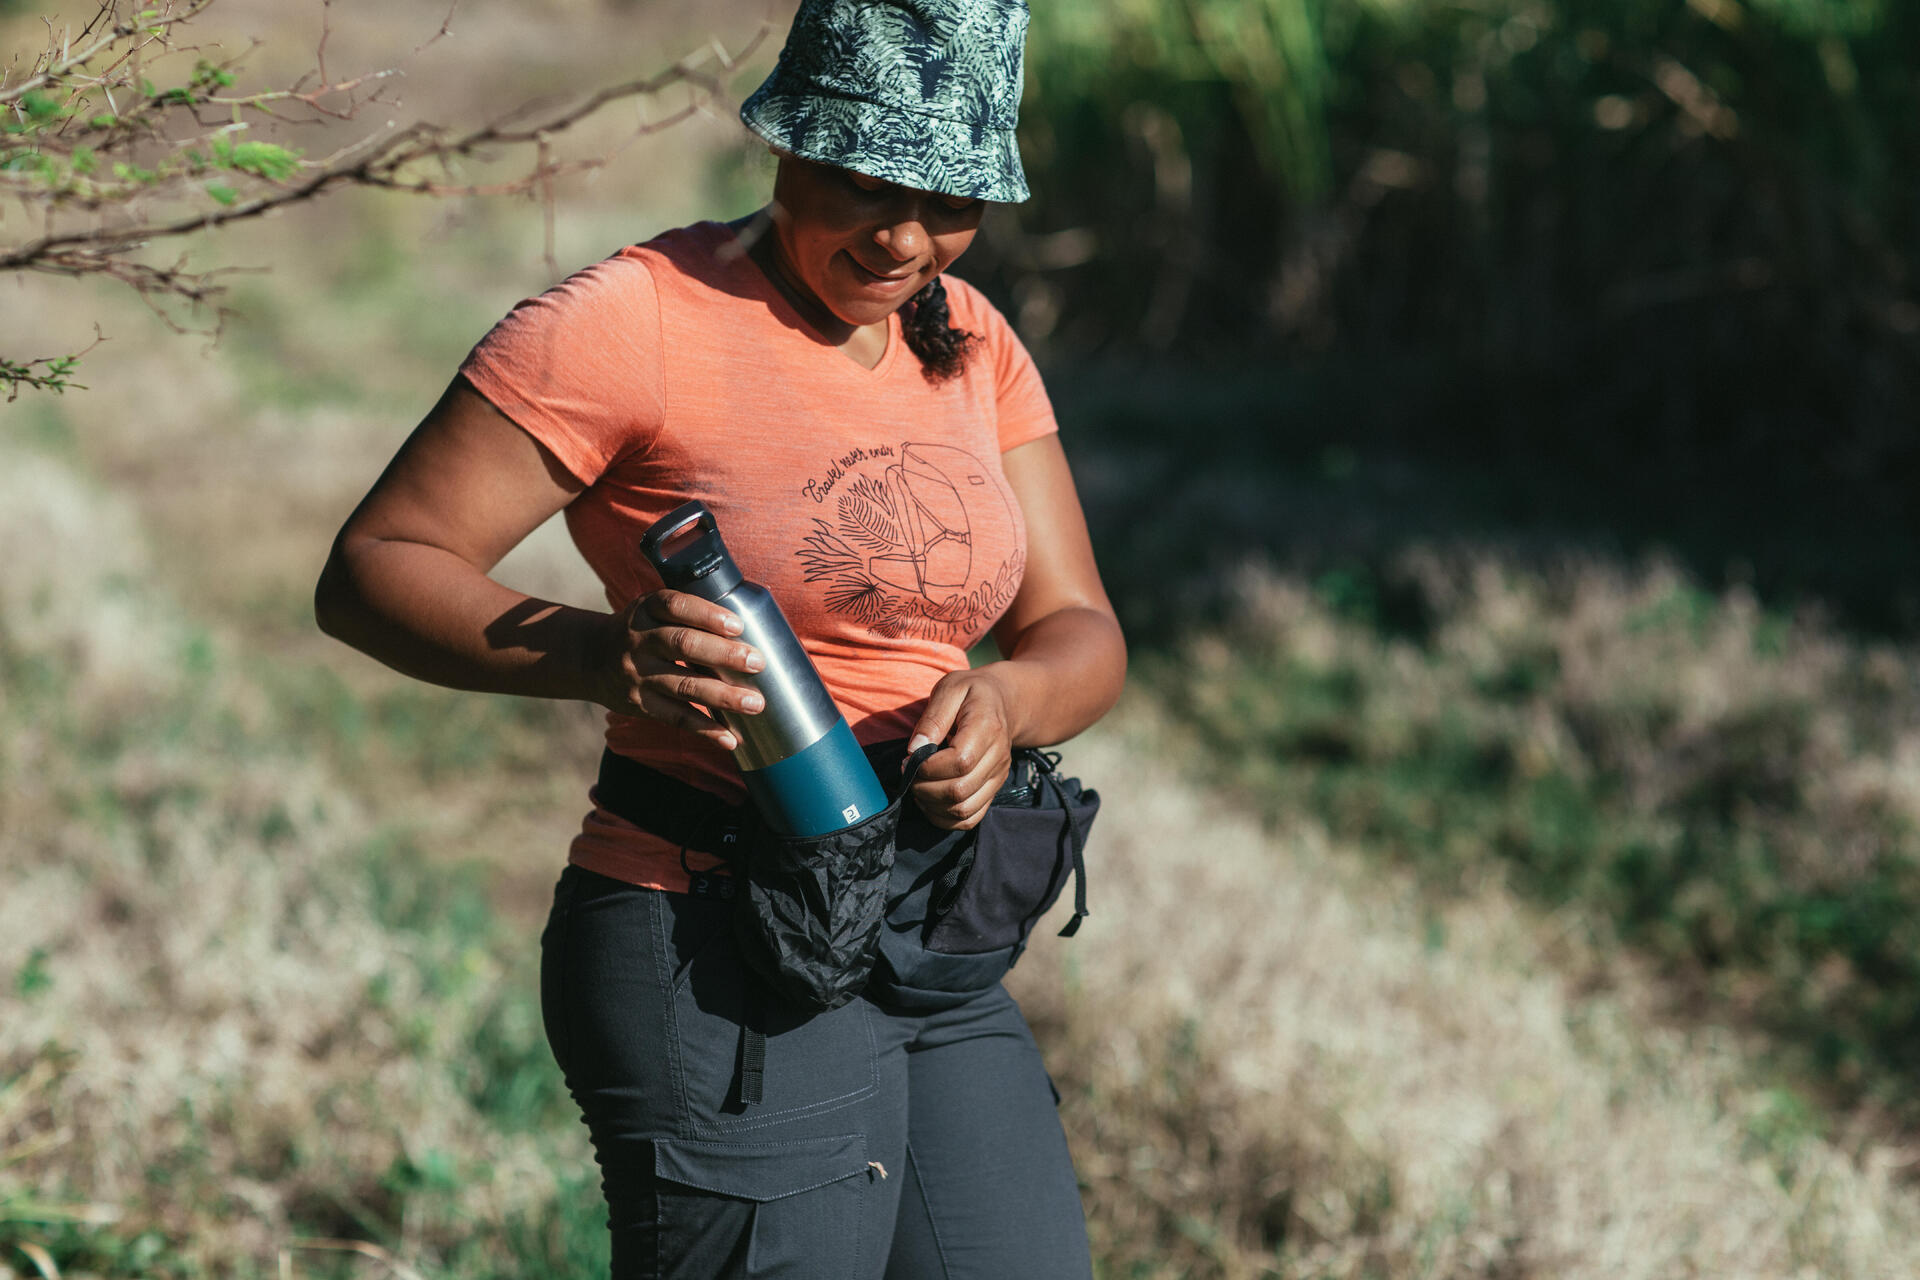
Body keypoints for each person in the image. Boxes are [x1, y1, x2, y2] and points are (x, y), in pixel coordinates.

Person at [314, 0, 1126, 1274]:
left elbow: (1080, 627)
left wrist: (1011, 704)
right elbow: (375, 567)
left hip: (924, 935)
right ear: (789, 145)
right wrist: (602, 654)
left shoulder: (968, 339)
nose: (907, 235)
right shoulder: (633, 318)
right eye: (866, 181)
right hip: (714, 932)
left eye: (953, 197)